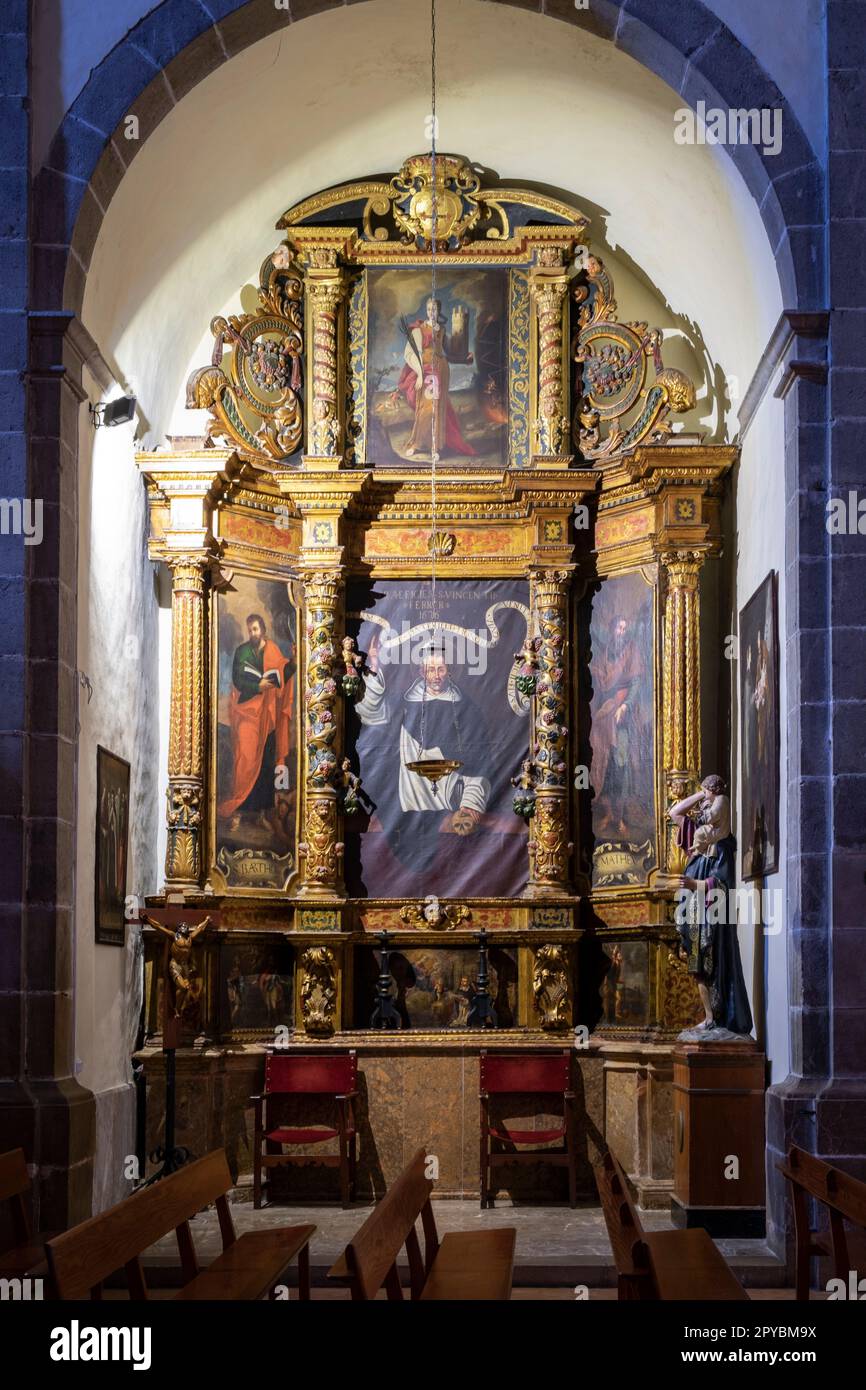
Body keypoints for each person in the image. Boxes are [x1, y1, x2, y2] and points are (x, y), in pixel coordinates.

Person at [354, 633, 490, 873]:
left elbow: (481, 757)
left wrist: (469, 798)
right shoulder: (405, 704)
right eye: (430, 670)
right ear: (421, 672)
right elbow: (372, 713)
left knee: (476, 781)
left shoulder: (466, 707)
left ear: (450, 670)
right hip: (412, 785)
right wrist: (374, 670)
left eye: (441, 669)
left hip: (450, 784)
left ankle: (464, 811)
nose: (436, 676)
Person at [668, 775, 753, 1036]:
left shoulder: (720, 848)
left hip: (712, 910)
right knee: (697, 963)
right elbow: (675, 812)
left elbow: (723, 886)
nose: (703, 810)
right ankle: (708, 1017)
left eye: (708, 801)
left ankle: (719, 1018)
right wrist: (699, 794)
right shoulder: (698, 843)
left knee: (711, 960)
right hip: (694, 908)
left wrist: (695, 885)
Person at [218, 613, 295, 831]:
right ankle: (239, 812)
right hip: (246, 712)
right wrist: (257, 686)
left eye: (256, 629)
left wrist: (294, 663)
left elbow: (283, 674)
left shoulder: (272, 650)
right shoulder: (242, 651)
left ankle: (261, 813)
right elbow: (237, 679)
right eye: (250, 629)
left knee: (265, 764)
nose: (253, 633)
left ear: (263, 630)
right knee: (245, 758)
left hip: (267, 716)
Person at [391, 296, 476, 459]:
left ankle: (434, 448)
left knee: (437, 409)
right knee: (424, 408)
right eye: (429, 309)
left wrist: (464, 359)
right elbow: (410, 354)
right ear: (426, 310)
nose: (432, 312)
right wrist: (420, 376)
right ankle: (416, 443)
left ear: (439, 311)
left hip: (440, 370)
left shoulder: (442, 330)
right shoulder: (419, 329)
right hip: (425, 371)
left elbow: (449, 354)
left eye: (435, 309)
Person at [591, 614, 646, 837]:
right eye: (617, 628)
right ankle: (607, 813)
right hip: (605, 714)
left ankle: (621, 817)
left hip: (623, 716)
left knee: (621, 765)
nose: (621, 632)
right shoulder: (605, 653)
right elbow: (601, 682)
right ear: (612, 630)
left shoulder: (631, 651)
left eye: (624, 628)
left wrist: (626, 705)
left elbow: (635, 683)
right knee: (605, 763)